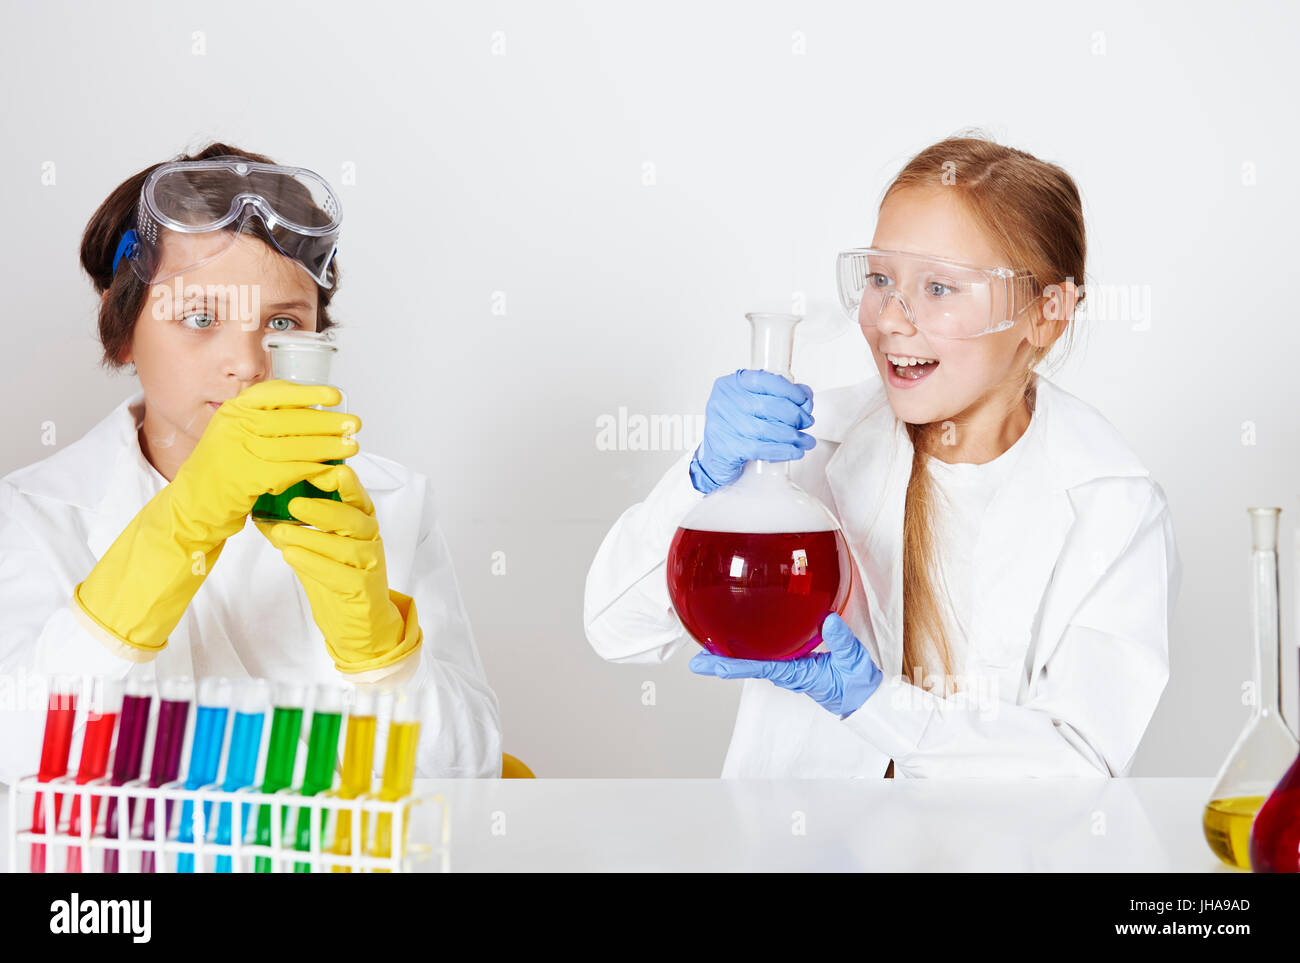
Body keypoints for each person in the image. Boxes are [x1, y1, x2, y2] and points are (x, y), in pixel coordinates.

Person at [585, 135, 1181, 778]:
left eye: (940, 288)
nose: (892, 319)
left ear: (1046, 313)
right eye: (879, 279)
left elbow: (1080, 764)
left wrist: (876, 705)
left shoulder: (1111, 502)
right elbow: (619, 630)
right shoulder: (801, 448)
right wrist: (704, 478)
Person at [0, 144, 502, 784]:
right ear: (121, 329)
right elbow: (18, 754)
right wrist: (174, 532)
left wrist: (381, 657)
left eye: (283, 321)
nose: (248, 362)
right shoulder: (39, 509)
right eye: (200, 317)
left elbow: (469, 773)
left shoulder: (392, 501)